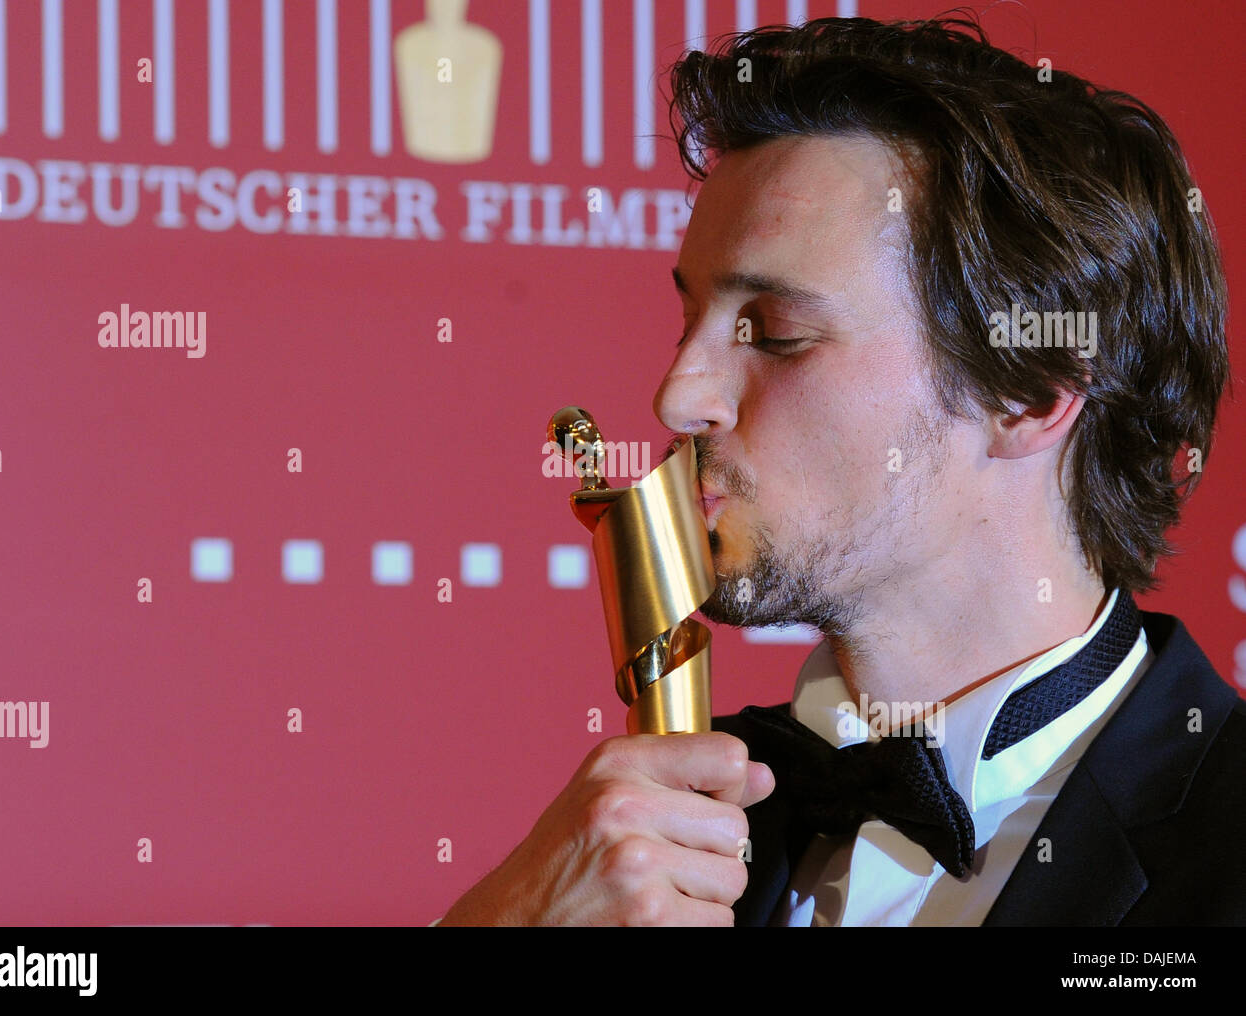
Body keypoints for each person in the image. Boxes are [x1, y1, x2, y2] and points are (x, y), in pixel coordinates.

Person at [439, 15, 1241, 926]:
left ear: (1029, 393)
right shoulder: (651, 835)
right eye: (689, 320)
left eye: (776, 334)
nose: (676, 395)